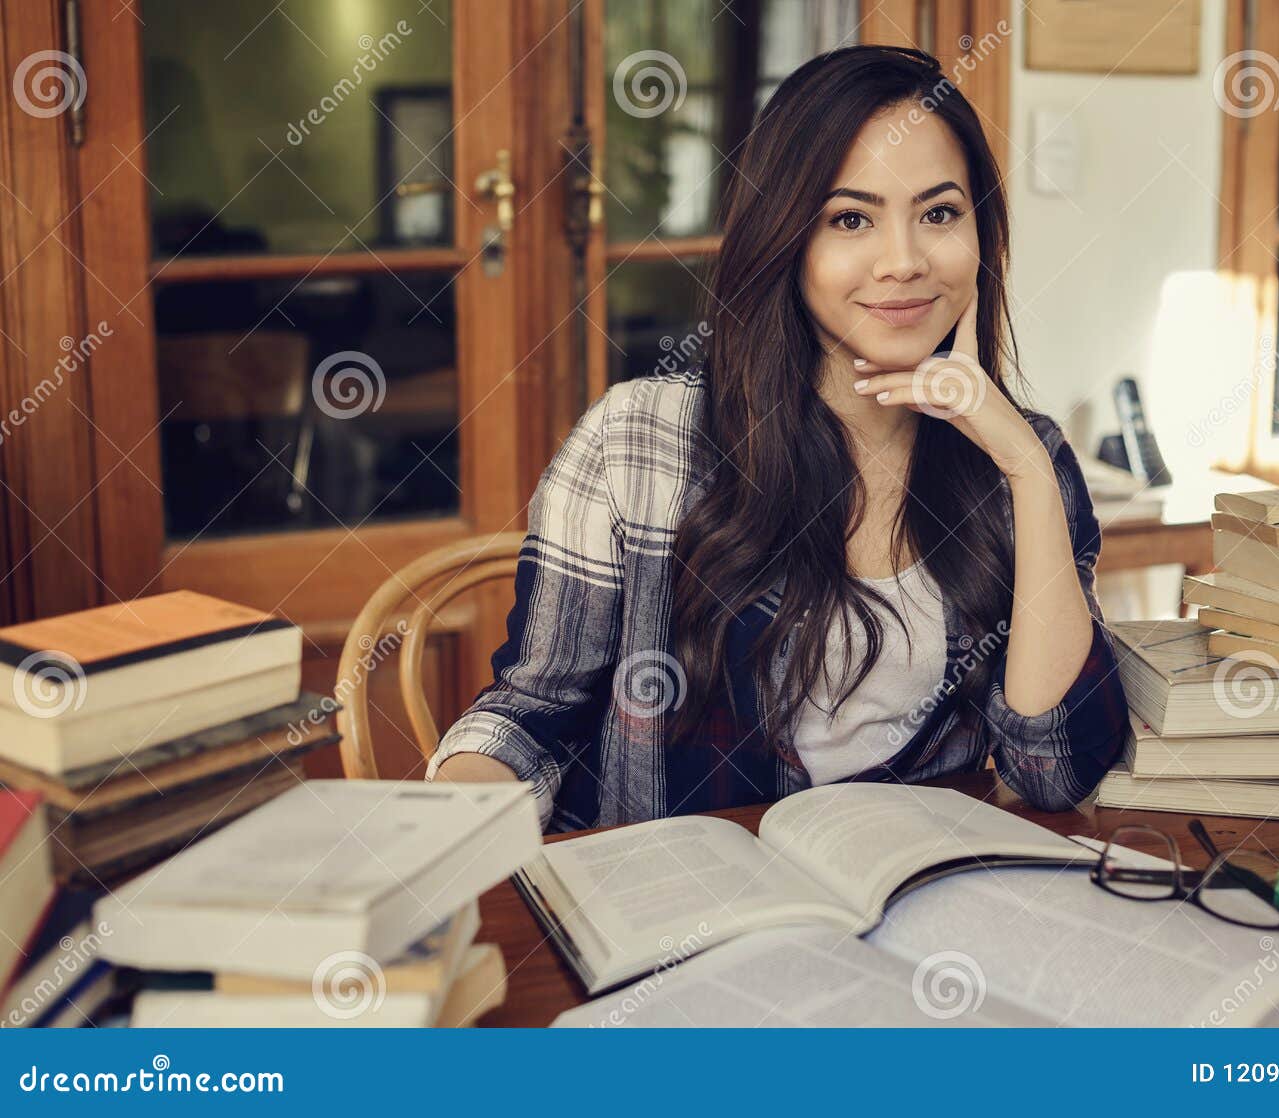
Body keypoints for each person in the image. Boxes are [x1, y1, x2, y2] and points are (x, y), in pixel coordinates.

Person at [429, 44, 1129, 832]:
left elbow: (1055, 769)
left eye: (939, 213)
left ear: (982, 234)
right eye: (850, 219)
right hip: (683, 921)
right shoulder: (637, 444)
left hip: (924, 927)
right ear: (786, 240)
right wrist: (441, 830)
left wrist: (1027, 470)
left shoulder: (1020, 459)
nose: (902, 262)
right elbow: (532, 714)